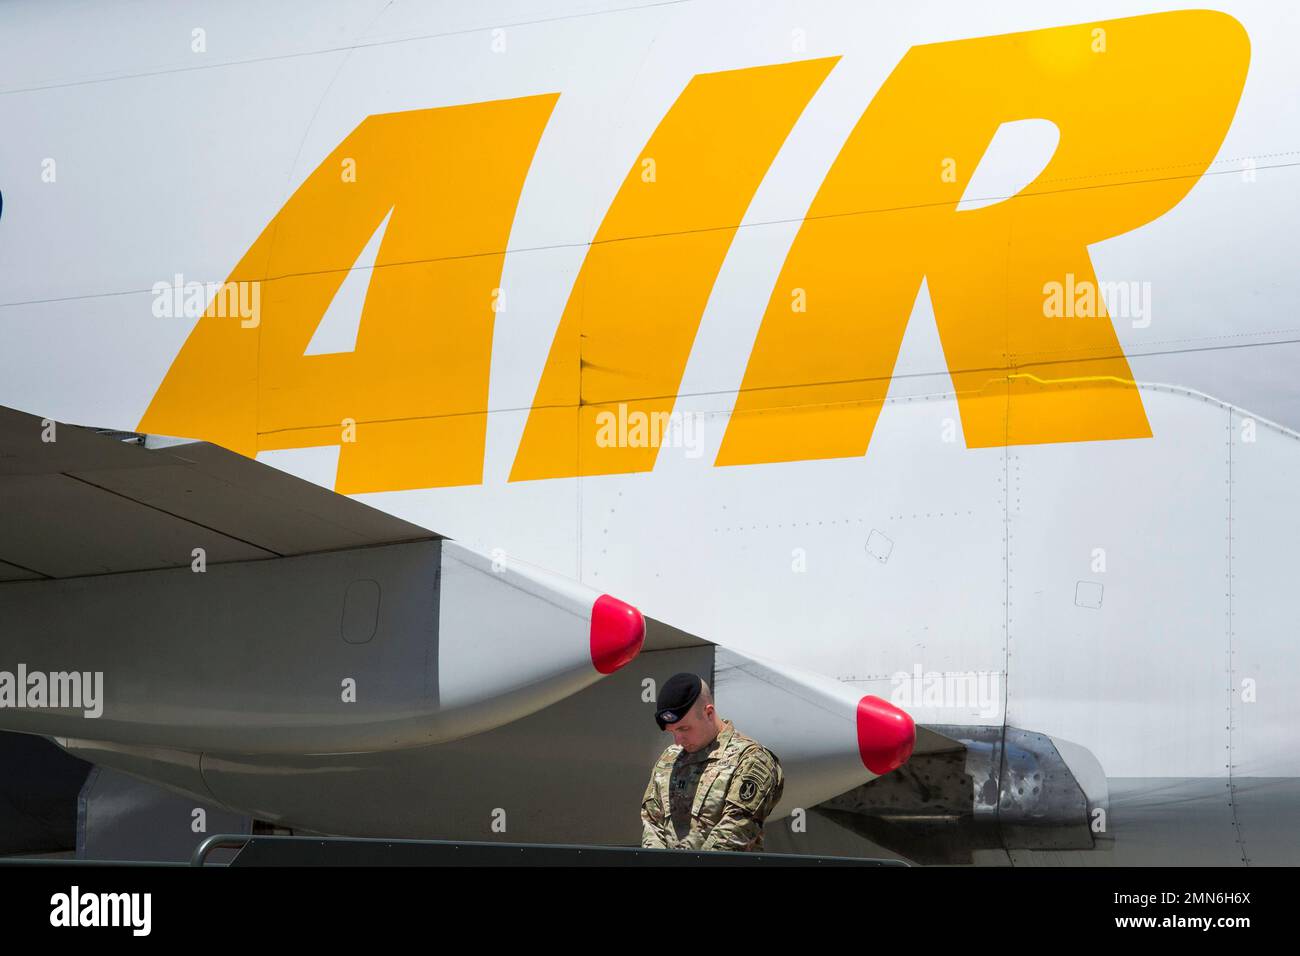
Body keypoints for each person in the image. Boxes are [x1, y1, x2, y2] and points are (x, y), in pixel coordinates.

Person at [640, 671, 784, 851]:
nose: (678, 740)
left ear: (709, 713)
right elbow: (652, 825)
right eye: (672, 732)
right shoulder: (669, 759)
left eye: (684, 728)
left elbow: (733, 834)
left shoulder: (750, 759)